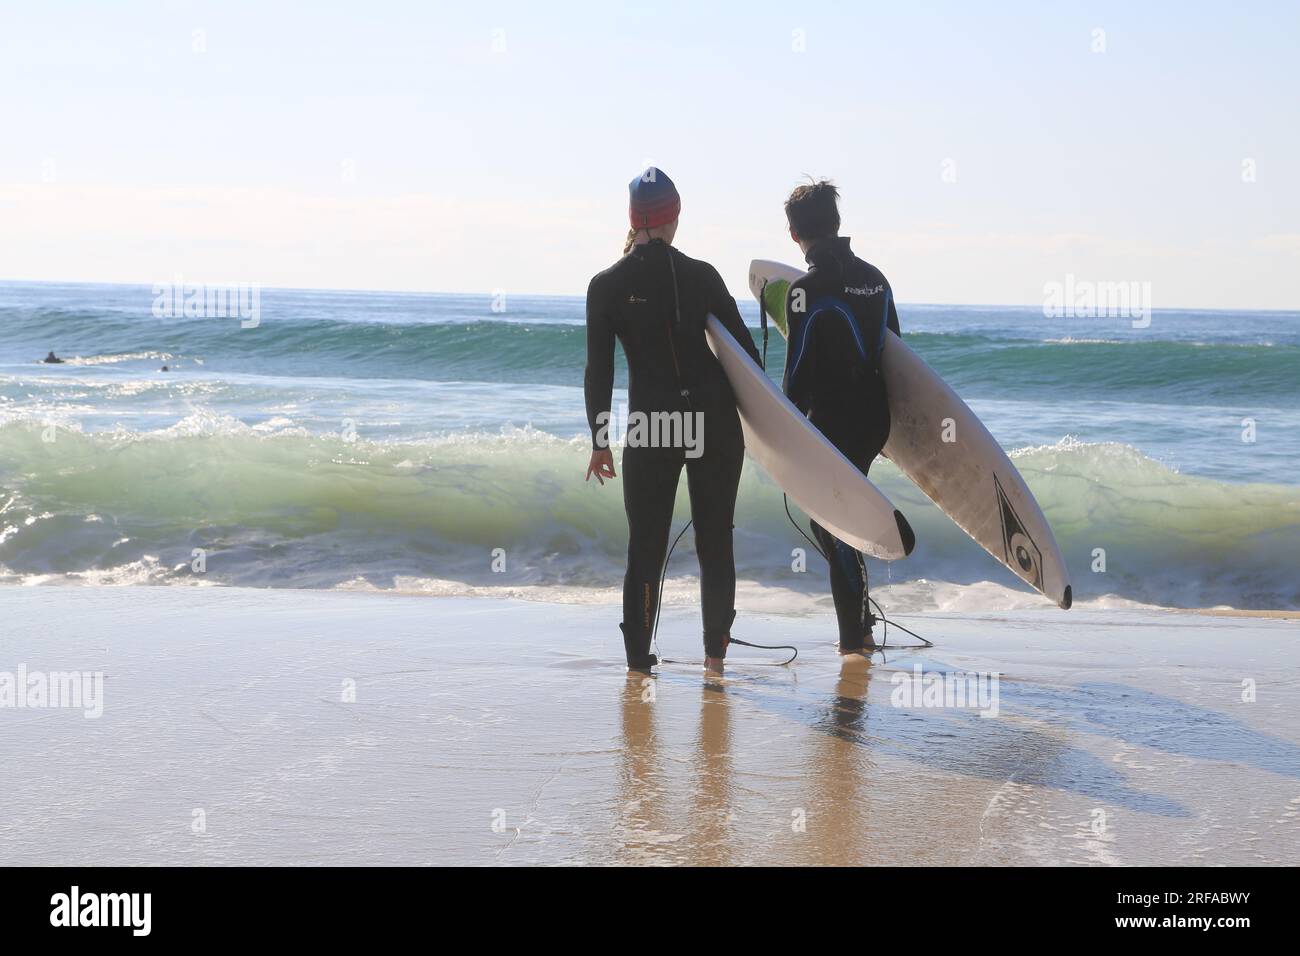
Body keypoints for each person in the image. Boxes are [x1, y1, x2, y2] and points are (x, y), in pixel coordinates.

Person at [585, 167, 762, 675]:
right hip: (713, 420)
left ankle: (639, 660)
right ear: (675, 216)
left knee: (645, 543)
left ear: (632, 219)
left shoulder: (606, 286)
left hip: (652, 424)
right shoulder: (703, 274)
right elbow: (746, 358)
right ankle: (714, 660)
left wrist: (600, 439)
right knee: (715, 539)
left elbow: (599, 371)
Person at [781, 180, 901, 655]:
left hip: (833, 421)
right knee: (836, 521)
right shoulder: (876, 278)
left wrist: (785, 430)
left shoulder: (806, 289)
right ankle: (860, 626)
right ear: (836, 223)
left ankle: (856, 637)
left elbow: (796, 369)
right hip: (874, 417)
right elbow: (896, 354)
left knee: (833, 523)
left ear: (793, 234)